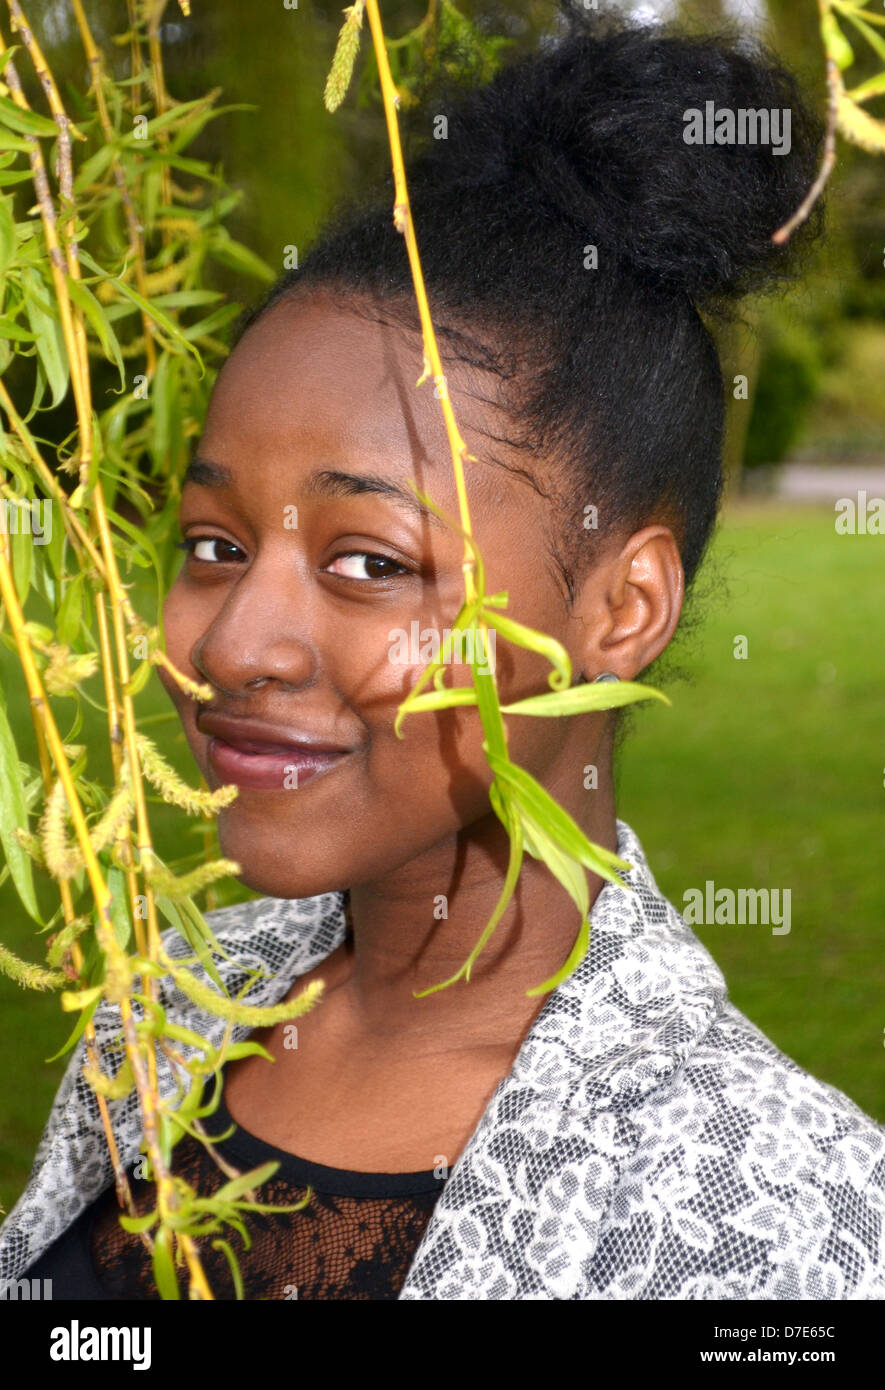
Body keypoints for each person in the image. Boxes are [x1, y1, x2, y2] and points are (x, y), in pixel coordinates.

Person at [2, 6, 883, 1301]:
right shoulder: (167, 1009)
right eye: (213, 541)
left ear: (621, 605)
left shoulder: (778, 1219)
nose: (236, 641)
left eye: (370, 561)